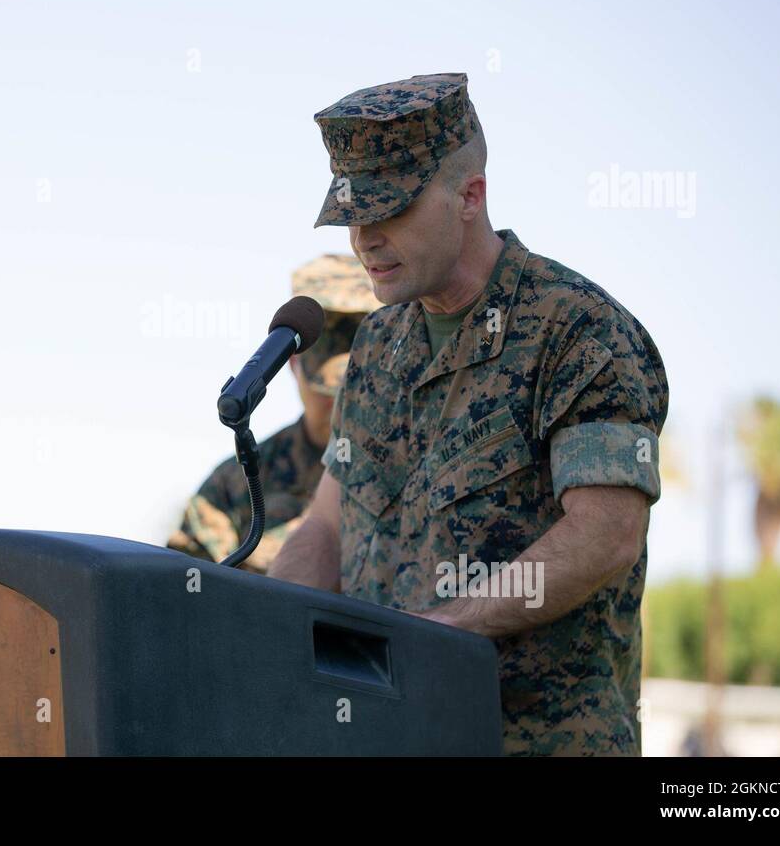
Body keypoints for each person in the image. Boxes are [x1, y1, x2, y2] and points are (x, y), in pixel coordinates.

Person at [268, 72, 669, 756]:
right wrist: (264, 631)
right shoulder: (375, 349)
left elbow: (606, 535)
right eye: (352, 216)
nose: (365, 239)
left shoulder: (576, 331)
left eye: (389, 209)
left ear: (469, 196)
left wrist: (437, 634)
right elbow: (328, 529)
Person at [166, 255, 379, 573]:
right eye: (326, 394)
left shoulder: (415, 464)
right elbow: (185, 592)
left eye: (355, 387)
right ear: (294, 365)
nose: (342, 404)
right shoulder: (239, 482)